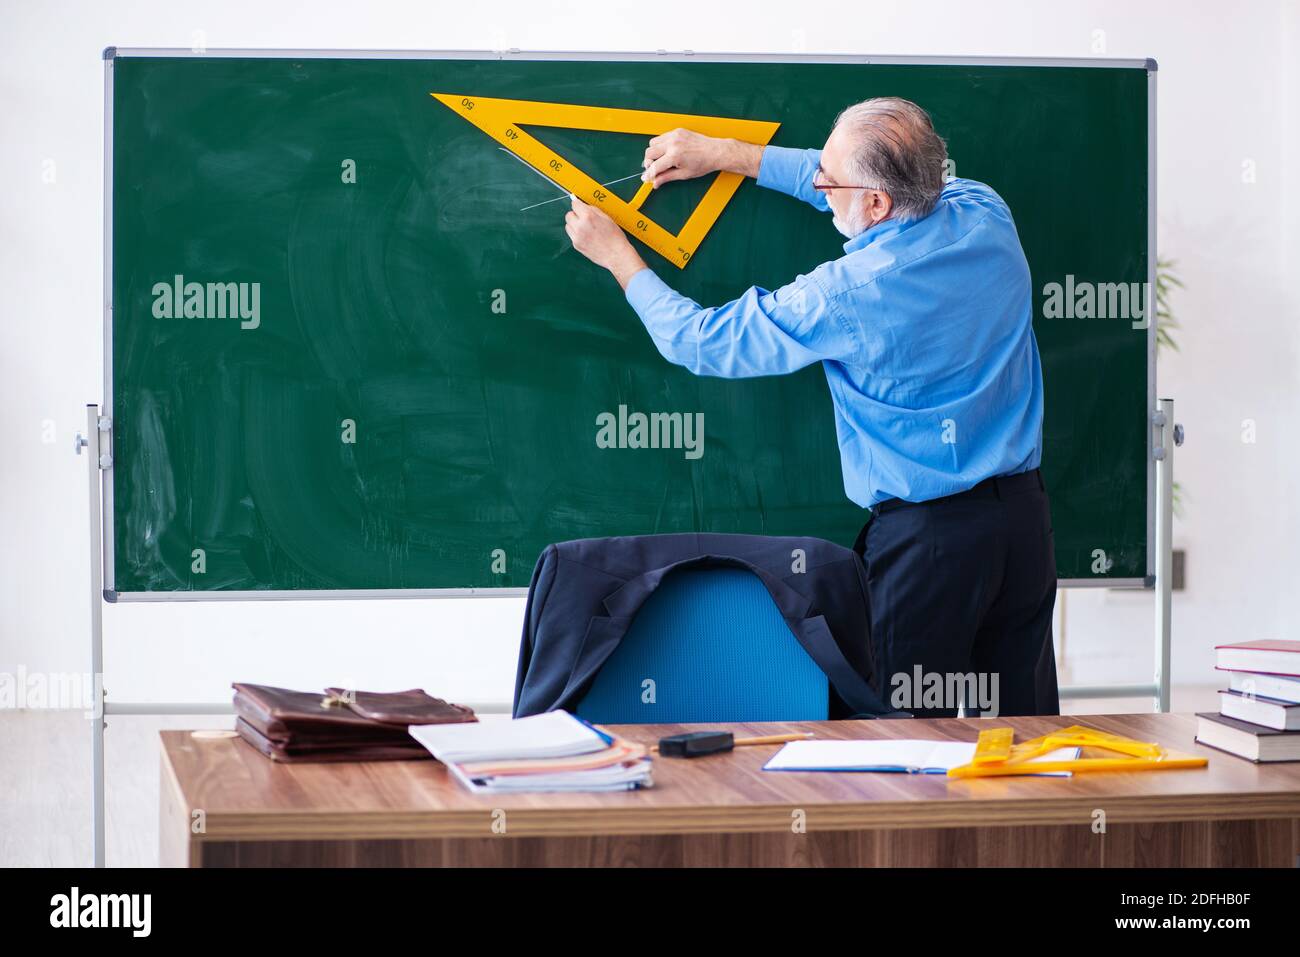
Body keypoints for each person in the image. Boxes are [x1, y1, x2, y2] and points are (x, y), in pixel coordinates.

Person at [563, 97, 1057, 718]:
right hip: (1023, 529)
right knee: (1028, 739)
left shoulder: (846, 296)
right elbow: (854, 183)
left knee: (900, 746)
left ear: (876, 204)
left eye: (830, 177)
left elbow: (703, 341)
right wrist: (724, 155)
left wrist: (618, 256)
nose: (817, 182)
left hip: (929, 547)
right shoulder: (986, 212)